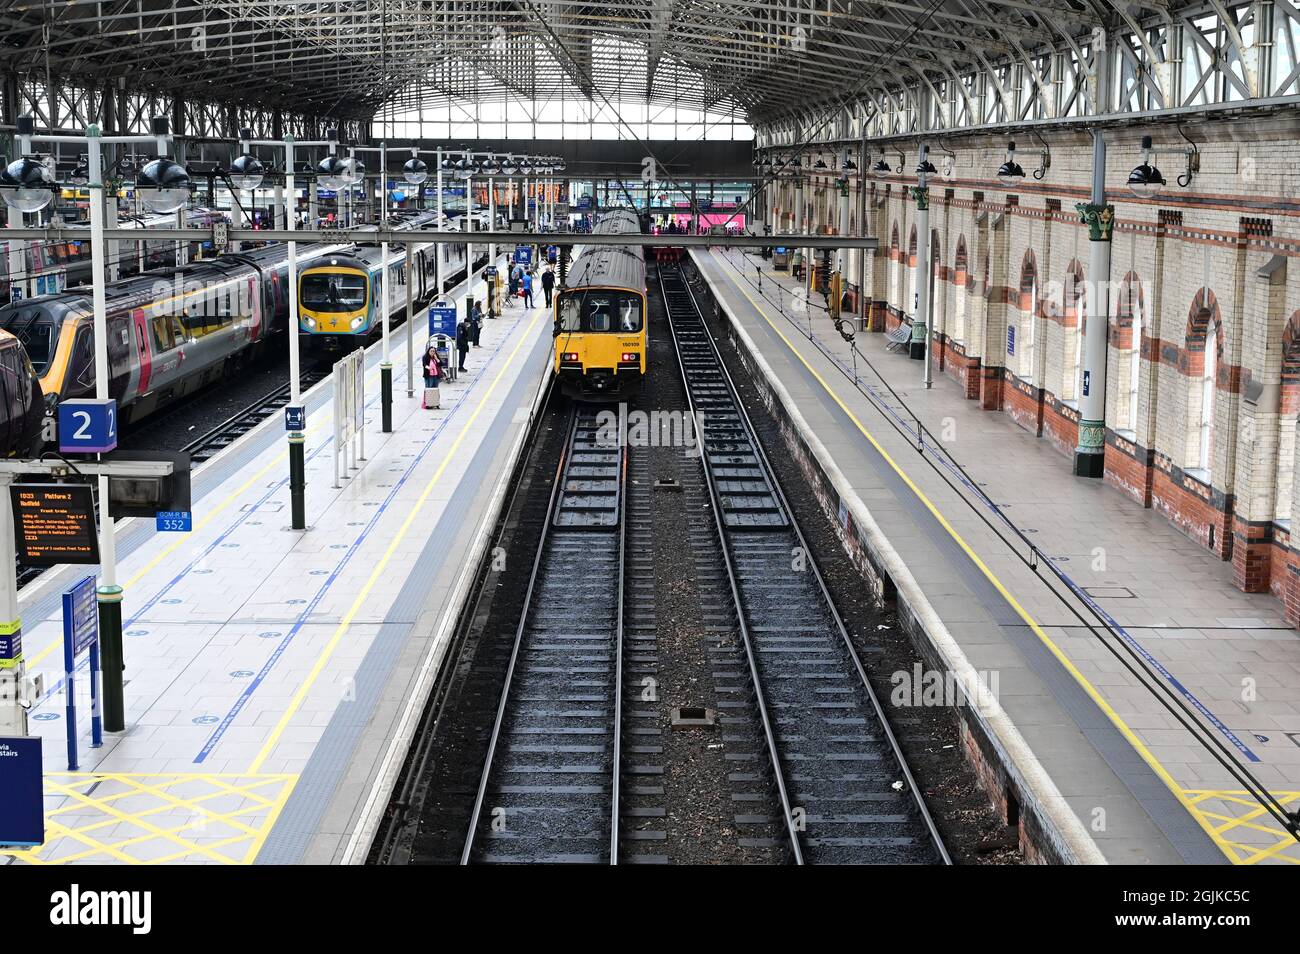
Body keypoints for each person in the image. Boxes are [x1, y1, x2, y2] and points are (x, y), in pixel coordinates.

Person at [422, 342, 442, 408]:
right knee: (429, 388)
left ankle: (435, 403)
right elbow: (424, 365)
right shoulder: (425, 357)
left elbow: (440, 364)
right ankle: (428, 403)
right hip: (429, 376)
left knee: (435, 388)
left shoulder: (436, 357)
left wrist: (436, 358)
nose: (432, 352)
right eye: (431, 351)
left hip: (436, 376)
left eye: (434, 351)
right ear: (428, 351)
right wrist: (429, 368)